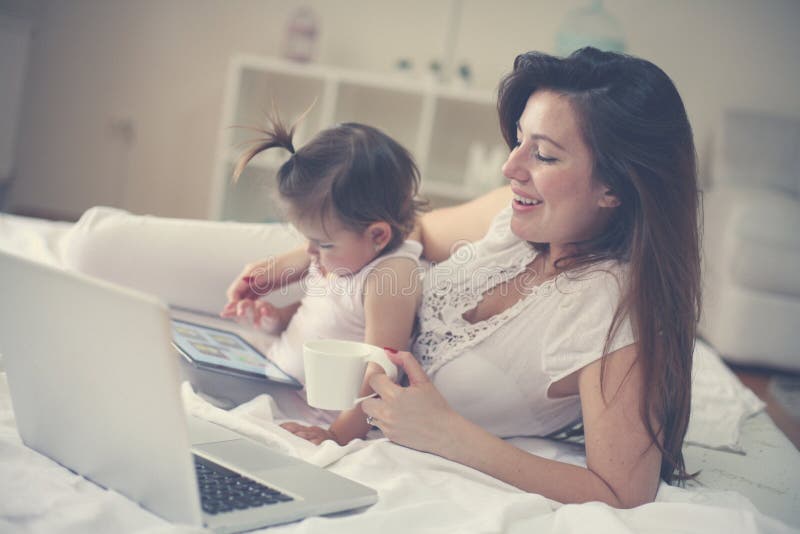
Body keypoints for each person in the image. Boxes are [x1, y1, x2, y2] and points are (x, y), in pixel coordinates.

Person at [227, 47, 700, 508]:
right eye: (518, 140)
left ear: (614, 188)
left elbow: (623, 492)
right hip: (320, 376)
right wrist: (299, 260)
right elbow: (404, 228)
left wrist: (449, 434)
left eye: (545, 155)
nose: (510, 167)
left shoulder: (607, 305)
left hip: (359, 436)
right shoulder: (516, 218)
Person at [220, 117, 425, 446]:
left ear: (377, 235)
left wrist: (335, 434)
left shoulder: (388, 277)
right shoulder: (343, 255)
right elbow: (326, 315)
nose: (310, 252)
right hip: (279, 385)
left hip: (326, 419)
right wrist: (278, 317)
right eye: (307, 240)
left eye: (323, 243)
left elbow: (381, 372)